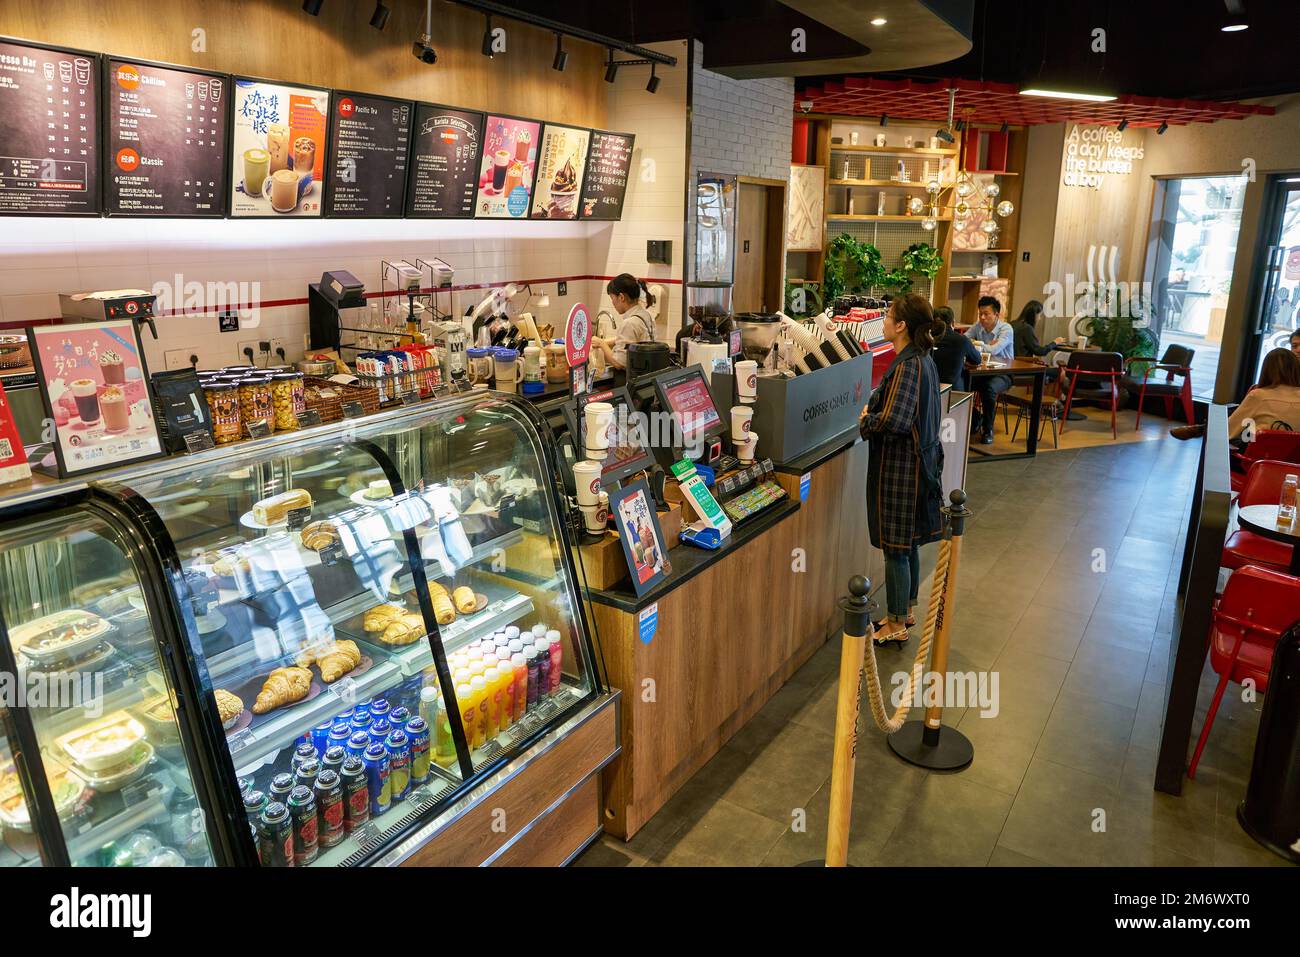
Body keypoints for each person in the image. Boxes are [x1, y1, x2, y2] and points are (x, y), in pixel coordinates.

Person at [859, 293, 946, 644]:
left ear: (901, 326)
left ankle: (894, 624)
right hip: (918, 466)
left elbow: (896, 420)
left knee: (895, 548)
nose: (884, 319)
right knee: (907, 543)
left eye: (889, 314)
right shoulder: (923, 359)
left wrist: (868, 419)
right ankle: (906, 610)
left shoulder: (909, 365)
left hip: (901, 470)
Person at [1172, 348, 1300, 440]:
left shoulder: (1260, 396)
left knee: (1237, 426)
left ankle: (1200, 429)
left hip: (1254, 459)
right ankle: (1200, 428)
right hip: (1291, 459)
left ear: (1266, 370)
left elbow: (1228, 431)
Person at [965, 295, 1013, 443]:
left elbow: (994, 350)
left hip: (1003, 373)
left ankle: (988, 429)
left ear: (997, 314)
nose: (982, 317)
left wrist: (976, 343)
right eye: (980, 314)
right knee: (960, 383)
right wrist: (982, 345)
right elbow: (964, 341)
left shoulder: (1006, 329)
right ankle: (975, 418)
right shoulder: (977, 326)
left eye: (986, 314)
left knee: (989, 389)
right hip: (982, 372)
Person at [593, 274, 657, 371]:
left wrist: (602, 344)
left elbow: (619, 363)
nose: (613, 303)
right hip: (647, 372)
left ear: (621, 297)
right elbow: (636, 341)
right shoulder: (646, 315)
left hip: (631, 379)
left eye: (612, 298)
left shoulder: (629, 323)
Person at [931, 305, 981, 390]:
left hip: (929, 389)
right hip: (954, 392)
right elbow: (977, 360)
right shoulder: (961, 340)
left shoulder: (927, 339)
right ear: (953, 323)